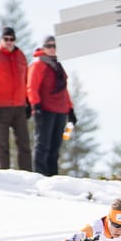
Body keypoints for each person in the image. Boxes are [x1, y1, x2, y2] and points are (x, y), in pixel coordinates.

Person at [0, 26, 31, 171]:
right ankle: (4, 172)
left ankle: (27, 173)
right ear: (1, 40)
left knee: (24, 143)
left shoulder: (21, 56)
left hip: (20, 106)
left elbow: (26, 80)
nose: (9, 42)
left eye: (12, 39)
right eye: (6, 39)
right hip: (1, 107)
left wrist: (29, 102)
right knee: (2, 144)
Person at [27, 35, 75, 177]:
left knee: (56, 146)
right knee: (43, 144)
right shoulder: (38, 65)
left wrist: (70, 109)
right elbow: (31, 86)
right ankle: (40, 174)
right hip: (45, 109)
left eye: (55, 46)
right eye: (49, 46)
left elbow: (63, 90)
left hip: (60, 110)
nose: (52, 49)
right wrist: (36, 105)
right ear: (43, 48)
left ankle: (52, 175)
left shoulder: (58, 66)